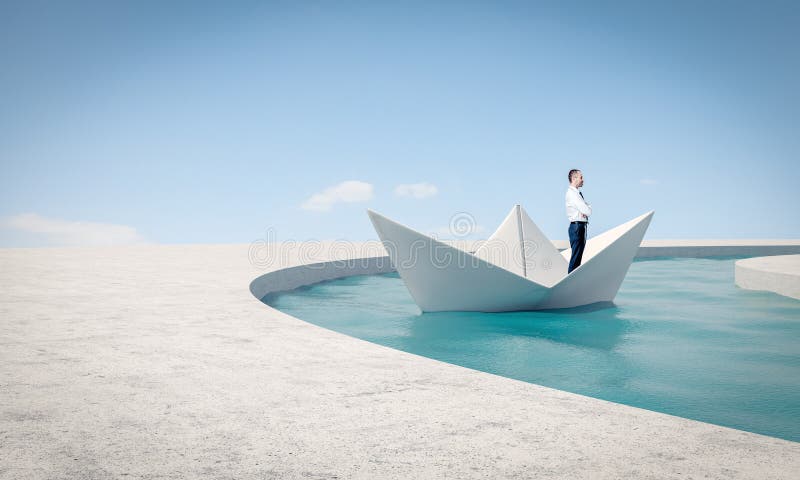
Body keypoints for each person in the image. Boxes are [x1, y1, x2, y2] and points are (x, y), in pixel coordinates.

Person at [565, 169, 591, 273]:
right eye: (581, 177)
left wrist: (586, 208)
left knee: (577, 258)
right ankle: (569, 286)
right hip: (577, 227)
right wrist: (587, 207)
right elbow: (587, 211)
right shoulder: (573, 194)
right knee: (575, 259)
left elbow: (586, 210)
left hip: (580, 226)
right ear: (574, 178)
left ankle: (571, 285)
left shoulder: (576, 193)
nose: (583, 179)